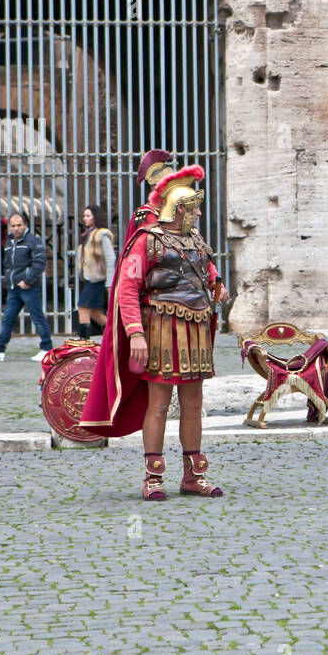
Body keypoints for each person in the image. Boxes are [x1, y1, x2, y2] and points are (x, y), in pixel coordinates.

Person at [81, 165, 231, 500]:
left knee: (193, 403)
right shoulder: (147, 240)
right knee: (160, 403)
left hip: (195, 330)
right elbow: (127, 289)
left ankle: (193, 477)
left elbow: (209, 272)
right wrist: (135, 334)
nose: (198, 213)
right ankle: (153, 478)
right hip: (161, 328)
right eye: (193, 208)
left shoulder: (196, 239)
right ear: (179, 209)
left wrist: (218, 287)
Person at [0, 211, 53, 363]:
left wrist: (27, 280)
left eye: (19, 225)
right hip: (14, 287)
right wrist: (8, 278)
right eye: (13, 225)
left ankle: (47, 349)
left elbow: (40, 262)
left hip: (29, 287)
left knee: (37, 318)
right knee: (8, 319)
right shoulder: (9, 242)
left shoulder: (33, 240)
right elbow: (7, 264)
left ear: (25, 225)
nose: (16, 228)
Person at [76, 204, 116, 339]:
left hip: (97, 279)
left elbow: (111, 258)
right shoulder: (88, 234)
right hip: (90, 279)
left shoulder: (101, 234)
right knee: (94, 312)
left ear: (95, 217)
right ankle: (115, 334)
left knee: (83, 309)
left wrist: (110, 282)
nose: (85, 219)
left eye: (88, 216)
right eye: (84, 216)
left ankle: (84, 344)